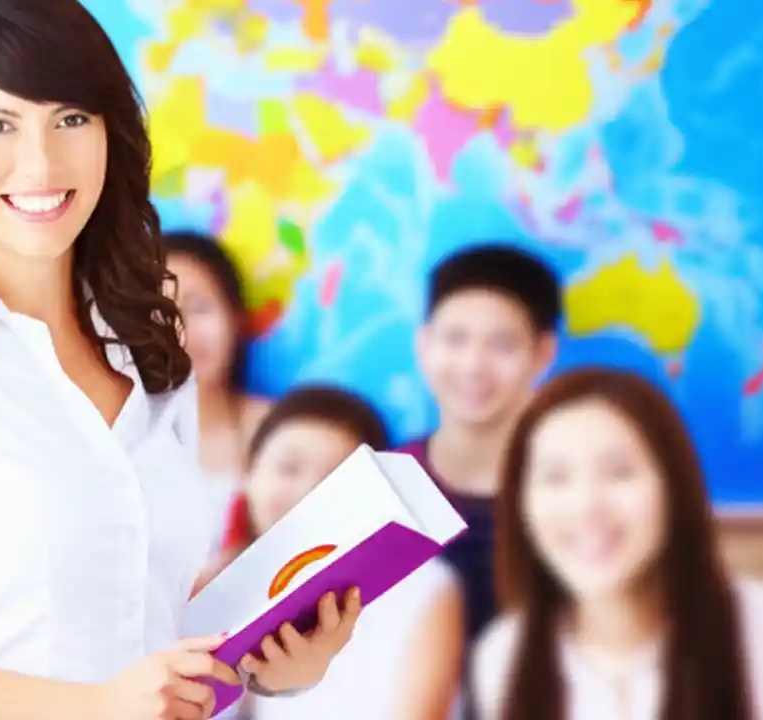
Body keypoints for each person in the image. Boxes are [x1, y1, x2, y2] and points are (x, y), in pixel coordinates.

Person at [0, 2, 363, 718]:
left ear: (108, 136)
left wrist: (271, 665)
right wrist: (93, 707)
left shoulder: (153, 351)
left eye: (71, 119)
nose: (41, 163)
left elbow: (143, 629)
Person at [472, 367, 763, 720]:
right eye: (555, 478)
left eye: (619, 472)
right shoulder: (503, 656)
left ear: (673, 485)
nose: (587, 505)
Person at [206, 385, 463, 720]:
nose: (311, 491)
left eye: (339, 475)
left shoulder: (423, 587)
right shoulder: (212, 591)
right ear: (248, 475)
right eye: (289, 467)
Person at [402, 243, 561, 645]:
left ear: (542, 354)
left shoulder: (565, 488)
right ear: (424, 346)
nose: (474, 366)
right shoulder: (388, 480)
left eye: (502, 345)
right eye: (455, 339)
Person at [163, 231, 272, 552]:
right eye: (160, 314)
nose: (181, 332)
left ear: (236, 319)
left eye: (199, 308)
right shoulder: (117, 438)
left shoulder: (275, 430)